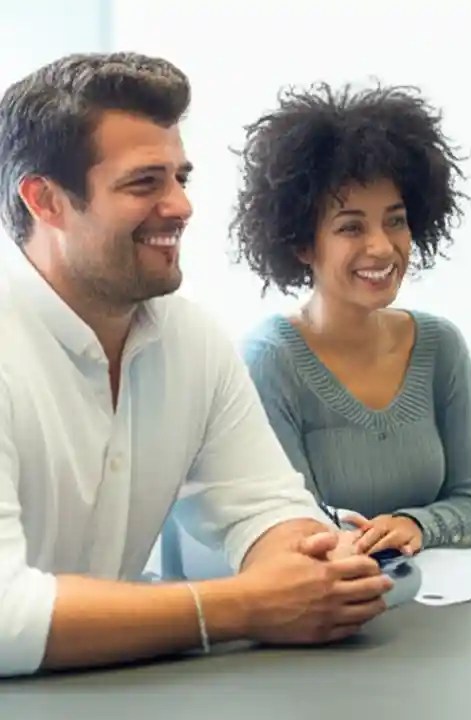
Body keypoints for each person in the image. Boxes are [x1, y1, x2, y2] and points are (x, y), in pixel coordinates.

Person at [0, 53, 392, 678]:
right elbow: (5, 620)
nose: (181, 206)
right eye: (144, 183)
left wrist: (312, 560)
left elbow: (263, 505)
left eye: (181, 177)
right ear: (45, 200)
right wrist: (242, 607)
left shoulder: (190, 339)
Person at [230, 81, 471, 559]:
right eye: (351, 227)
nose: (381, 247)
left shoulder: (440, 346)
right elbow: (294, 530)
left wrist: (416, 525)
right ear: (303, 244)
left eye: (394, 220)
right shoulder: (270, 361)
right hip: (328, 609)